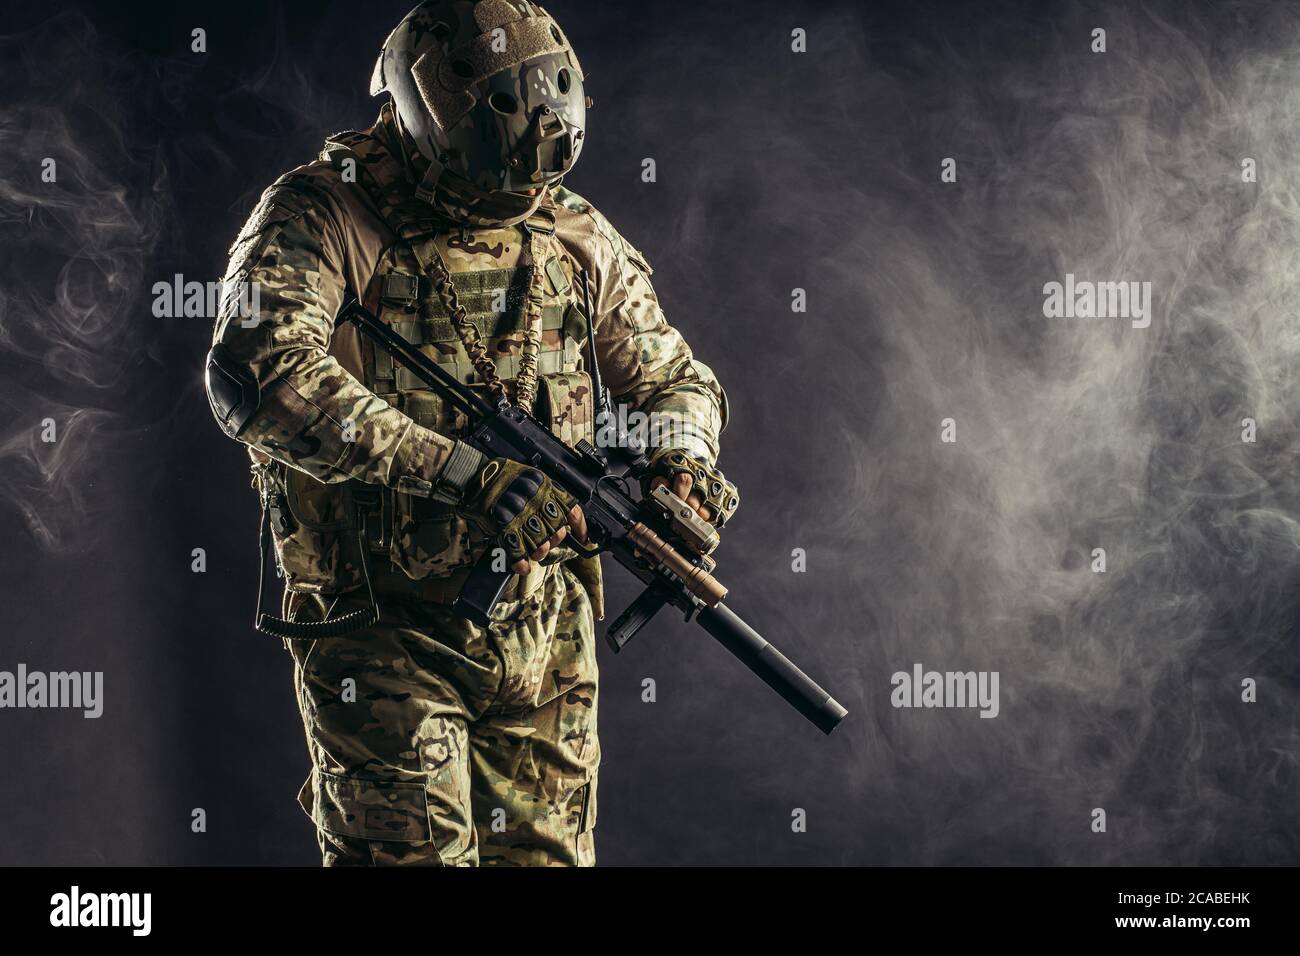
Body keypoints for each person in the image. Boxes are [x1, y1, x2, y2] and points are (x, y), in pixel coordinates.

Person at [205, 0, 738, 866]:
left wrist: (683, 463)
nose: (522, 202)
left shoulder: (568, 227)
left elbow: (673, 376)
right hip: (386, 630)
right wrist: (460, 472)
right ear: (426, 121)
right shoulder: (326, 214)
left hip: (546, 631)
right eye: (498, 184)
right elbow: (258, 377)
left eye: (533, 187)